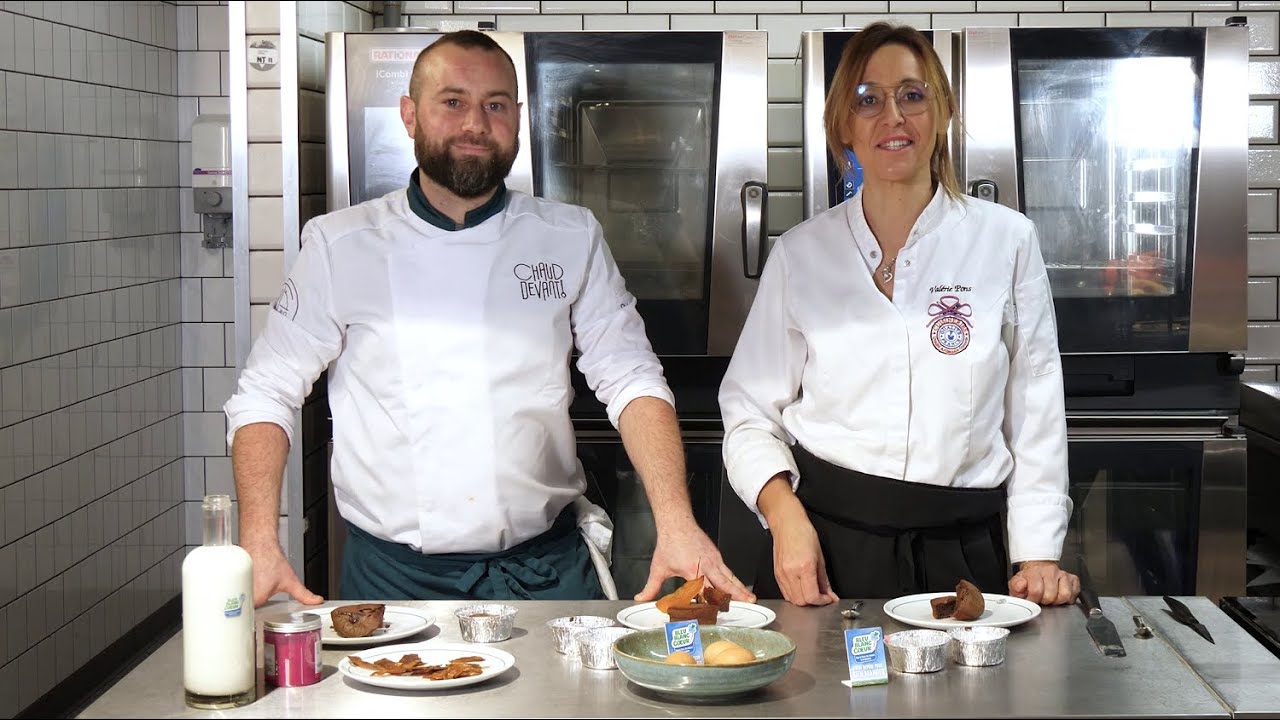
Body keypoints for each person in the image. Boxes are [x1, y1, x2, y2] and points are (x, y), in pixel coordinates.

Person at [224, 30, 751, 607]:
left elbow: (632, 379)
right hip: (395, 579)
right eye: (452, 102)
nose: (476, 123)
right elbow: (266, 393)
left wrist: (674, 520)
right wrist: (258, 537)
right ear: (410, 115)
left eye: (495, 105)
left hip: (545, 569)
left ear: (519, 119)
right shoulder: (338, 245)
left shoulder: (569, 236)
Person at [718, 22, 1080, 608]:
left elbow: (1035, 406)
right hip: (826, 550)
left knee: (967, 702)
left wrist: (1037, 554)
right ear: (843, 124)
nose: (894, 117)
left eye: (913, 95)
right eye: (868, 99)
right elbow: (749, 410)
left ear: (942, 113)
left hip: (964, 551)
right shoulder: (801, 254)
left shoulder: (1007, 241)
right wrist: (784, 517)